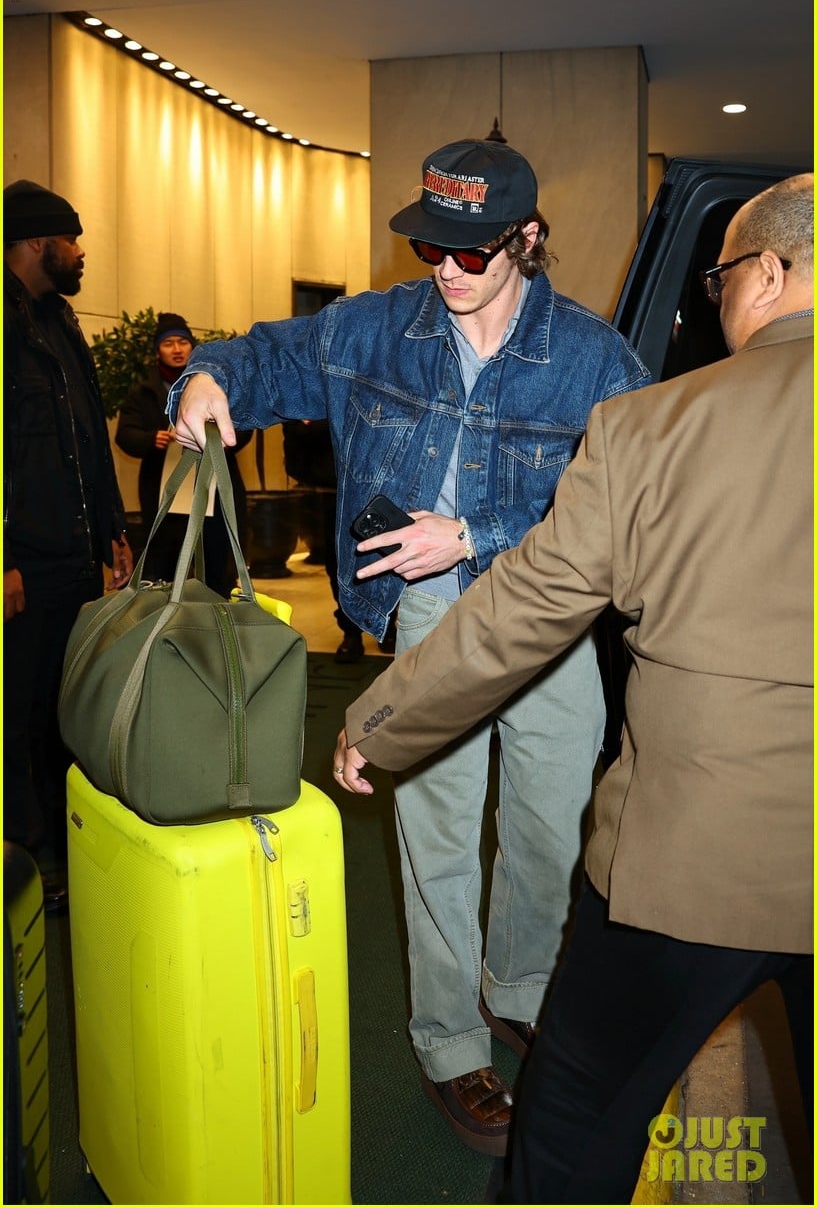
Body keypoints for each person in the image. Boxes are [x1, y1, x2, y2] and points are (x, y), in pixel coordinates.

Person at [332, 173, 813, 1201]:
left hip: (691, 861)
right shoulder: (393, 330)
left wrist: (381, 716)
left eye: (723, 275)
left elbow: (524, 610)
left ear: (769, 275)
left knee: (571, 1134)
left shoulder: (650, 421)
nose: (719, 297)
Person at [168, 139, 650, 1153]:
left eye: (471, 251)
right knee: (435, 831)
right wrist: (207, 380)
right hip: (432, 614)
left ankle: (519, 988)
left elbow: (628, 500)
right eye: (431, 244)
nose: (445, 268)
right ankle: (447, 1043)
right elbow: (267, 355)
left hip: (550, 606)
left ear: (526, 239)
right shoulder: (377, 326)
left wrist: (473, 527)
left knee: (552, 823)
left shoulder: (593, 356)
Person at [3, 179, 134, 908]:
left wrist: (116, 531)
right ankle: (27, 861)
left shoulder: (60, 320)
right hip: (22, 564)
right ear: (33, 242)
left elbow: (88, 436)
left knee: (65, 712)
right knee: (15, 718)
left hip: (75, 556)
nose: (80, 252)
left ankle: (64, 844)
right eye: (70, 239)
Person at [115, 312, 251, 598]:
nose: (176, 349)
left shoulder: (216, 383)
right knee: (165, 574)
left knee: (216, 572)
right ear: (157, 351)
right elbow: (125, 435)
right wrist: (152, 438)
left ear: (193, 346)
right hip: (166, 495)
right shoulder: (143, 393)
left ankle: (215, 631)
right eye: (168, 343)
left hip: (213, 495)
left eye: (182, 342)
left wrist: (218, 438)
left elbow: (244, 427)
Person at [282, 418, 366, 662]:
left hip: (369, 482)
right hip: (328, 490)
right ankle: (351, 631)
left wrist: (316, 426)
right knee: (337, 563)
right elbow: (295, 428)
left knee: (378, 555)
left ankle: (386, 623)